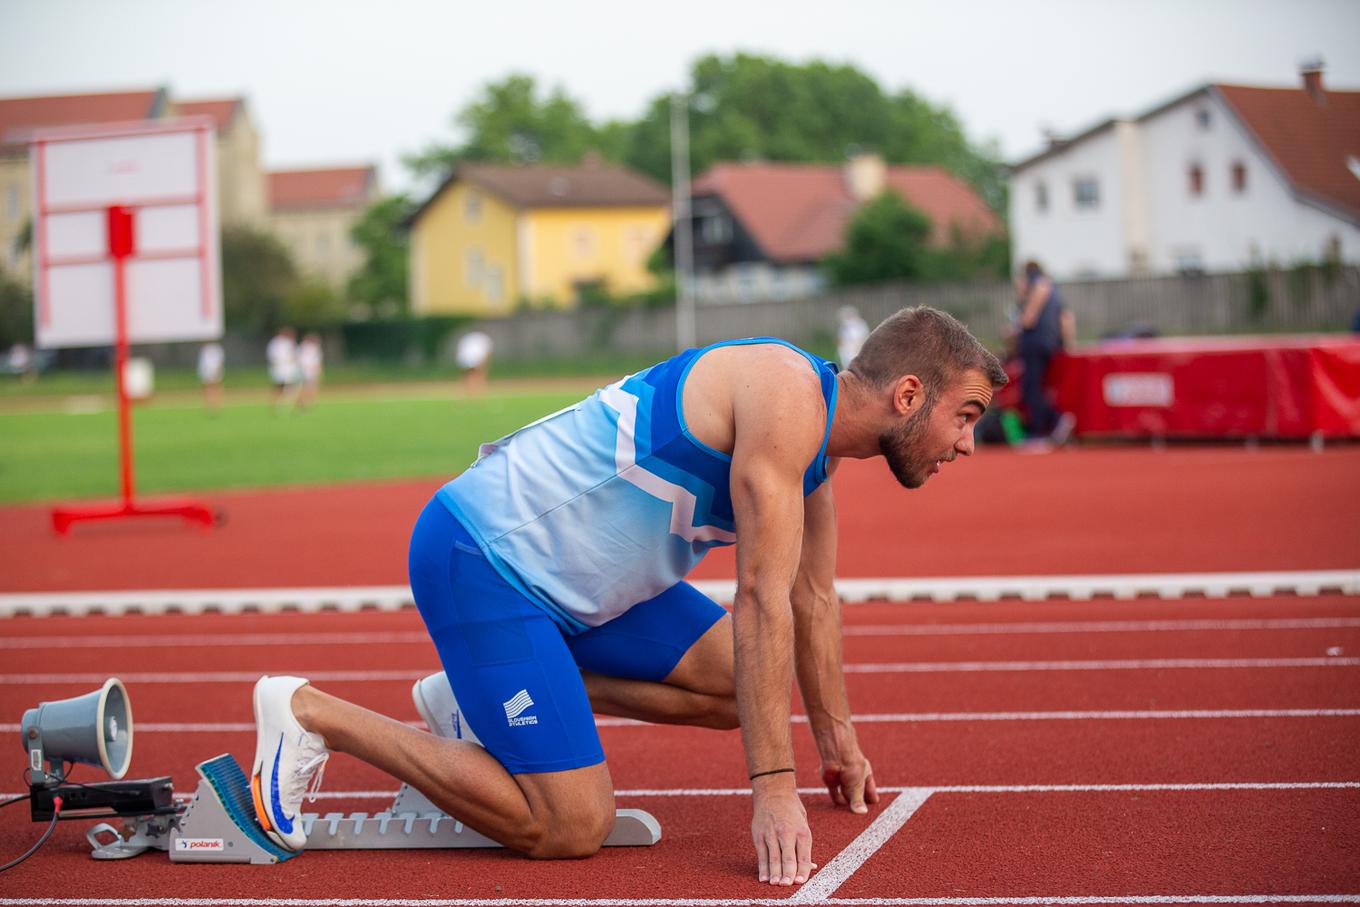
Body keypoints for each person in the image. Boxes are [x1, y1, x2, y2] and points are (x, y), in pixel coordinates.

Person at [248, 306, 1007, 886]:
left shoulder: (819, 449)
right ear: (909, 393)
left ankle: (477, 700)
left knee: (751, 689)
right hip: (486, 557)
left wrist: (837, 741)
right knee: (571, 823)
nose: (968, 444)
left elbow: (815, 600)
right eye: (964, 416)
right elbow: (762, 600)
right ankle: (313, 712)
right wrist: (774, 787)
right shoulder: (785, 397)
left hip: (584, 593)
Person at [1012, 261, 1074, 445]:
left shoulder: (1039, 285)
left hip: (1035, 343)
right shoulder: (1053, 289)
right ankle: (1054, 421)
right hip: (1048, 343)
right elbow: (1067, 318)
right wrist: (1067, 343)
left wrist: (1015, 326)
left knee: (1031, 388)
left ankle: (1045, 427)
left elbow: (1028, 319)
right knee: (1036, 387)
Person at [266, 327, 299, 412]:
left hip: (287, 369)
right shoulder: (275, 343)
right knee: (280, 387)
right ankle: (276, 405)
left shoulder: (288, 343)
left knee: (290, 387)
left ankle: (288, 405)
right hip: (280, 369)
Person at [456, 329, 493, 396]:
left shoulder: (467, 338)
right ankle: (477, 390)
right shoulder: (484, 339)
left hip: (467, 357)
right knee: (478, 373)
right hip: (475, 357)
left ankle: (471, 390)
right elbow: (487, 353)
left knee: (469, 374)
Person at [296, 332, 324, 410]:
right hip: (308, 371)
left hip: (305, 370)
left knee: (307, 387)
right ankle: (304, 403)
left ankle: (305, 403)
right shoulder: (312, 348)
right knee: (309, 388)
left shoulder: (302, 347)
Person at [197, 342, 225, 413]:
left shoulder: (217, 349)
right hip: (206, 371)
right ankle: (209, 403)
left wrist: (218, 370)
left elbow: (220, 361)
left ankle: (216, 403)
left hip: (215, 370)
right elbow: (202, 363)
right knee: (207, 387)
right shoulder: (204, 350)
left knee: (216, 386)